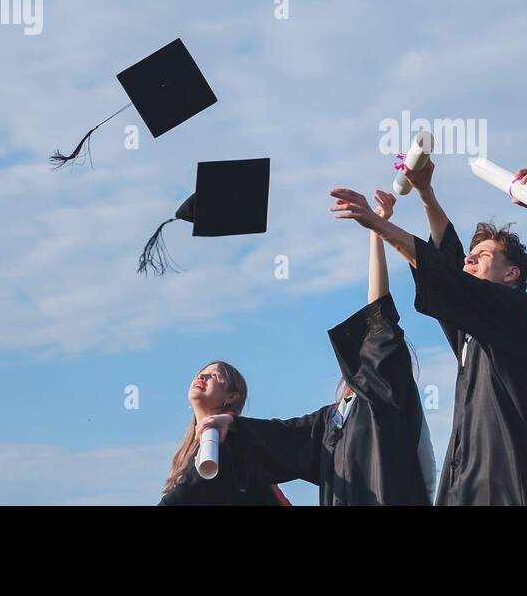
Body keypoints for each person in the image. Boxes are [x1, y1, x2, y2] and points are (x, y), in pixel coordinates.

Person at [330, 162, 527, 505]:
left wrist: (376, 223)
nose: (470, 259)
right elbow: (446, 263)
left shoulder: (516, 313)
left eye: (482, 255)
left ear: (511, 273)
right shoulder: (472, 333)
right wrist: (426, 193)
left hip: (512, 485)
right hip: (464, 486)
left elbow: (445, 275)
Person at [201, 191, 437, 505]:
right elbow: (283, 436)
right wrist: (233, 424)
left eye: (374, 346)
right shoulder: (329, 424)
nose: (362, 352)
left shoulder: (388, 398)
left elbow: (378, 307)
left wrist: (376, 233)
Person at [157, 360, 289, 506]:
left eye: (215, 375)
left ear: (232, 397)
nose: (202, 377)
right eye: (200, 374)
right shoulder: (194, 447)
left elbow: (190, 490)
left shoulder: (228, 437)